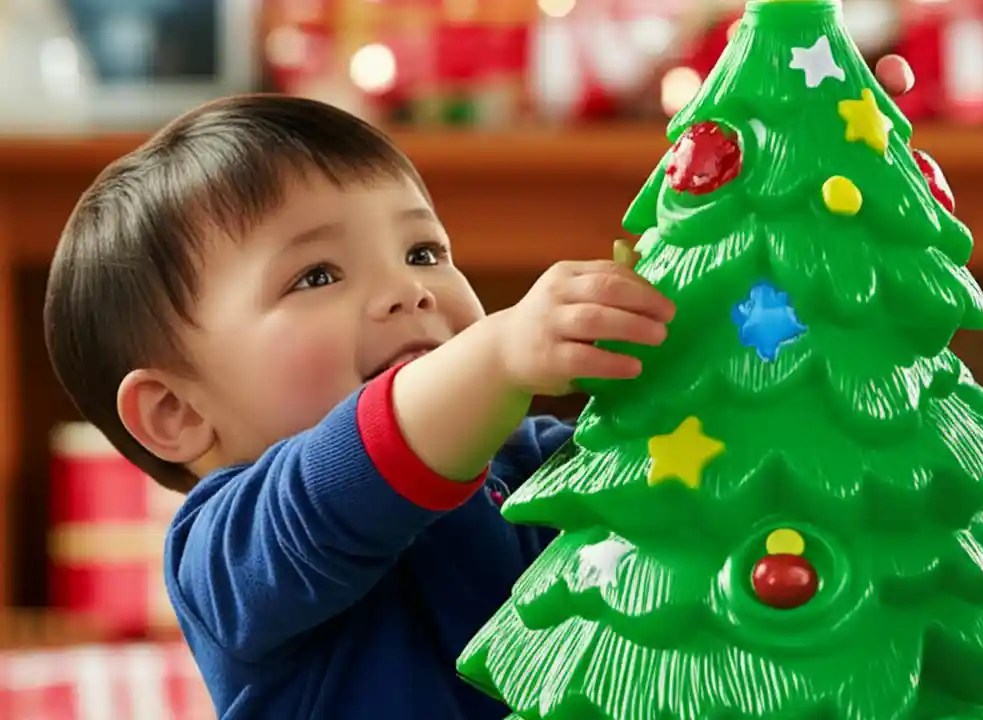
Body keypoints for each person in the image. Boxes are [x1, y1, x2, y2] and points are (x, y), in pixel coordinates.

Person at [43, 57, 918, 719]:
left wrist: (802, 187)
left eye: (423, 252)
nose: (409, 290)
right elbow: (349, 477)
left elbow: (711, 454)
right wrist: (497, 358)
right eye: (315, 276)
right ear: (176, 413)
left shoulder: (536, 471)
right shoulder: (225, 551)